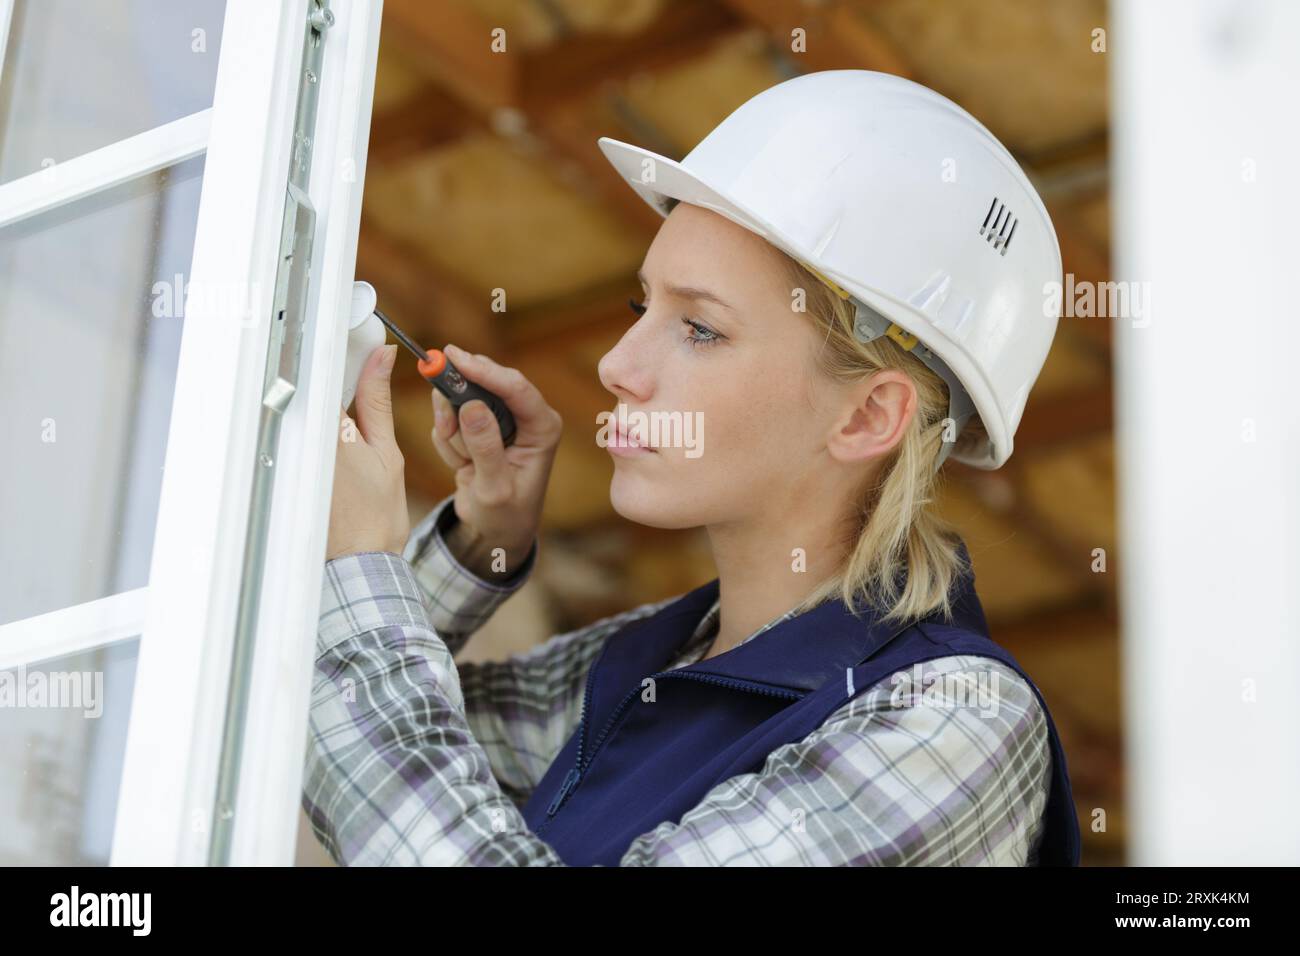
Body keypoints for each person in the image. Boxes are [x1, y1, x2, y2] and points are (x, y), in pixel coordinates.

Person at [303, 70, 1081, 866]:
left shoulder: (952, 720)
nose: (615, 365)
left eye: (700, 329)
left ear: (866, 416)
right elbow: (327, 725)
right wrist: (481, 538)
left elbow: (376, 724)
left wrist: (358, 567)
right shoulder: (639, 665)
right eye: (644, 310)